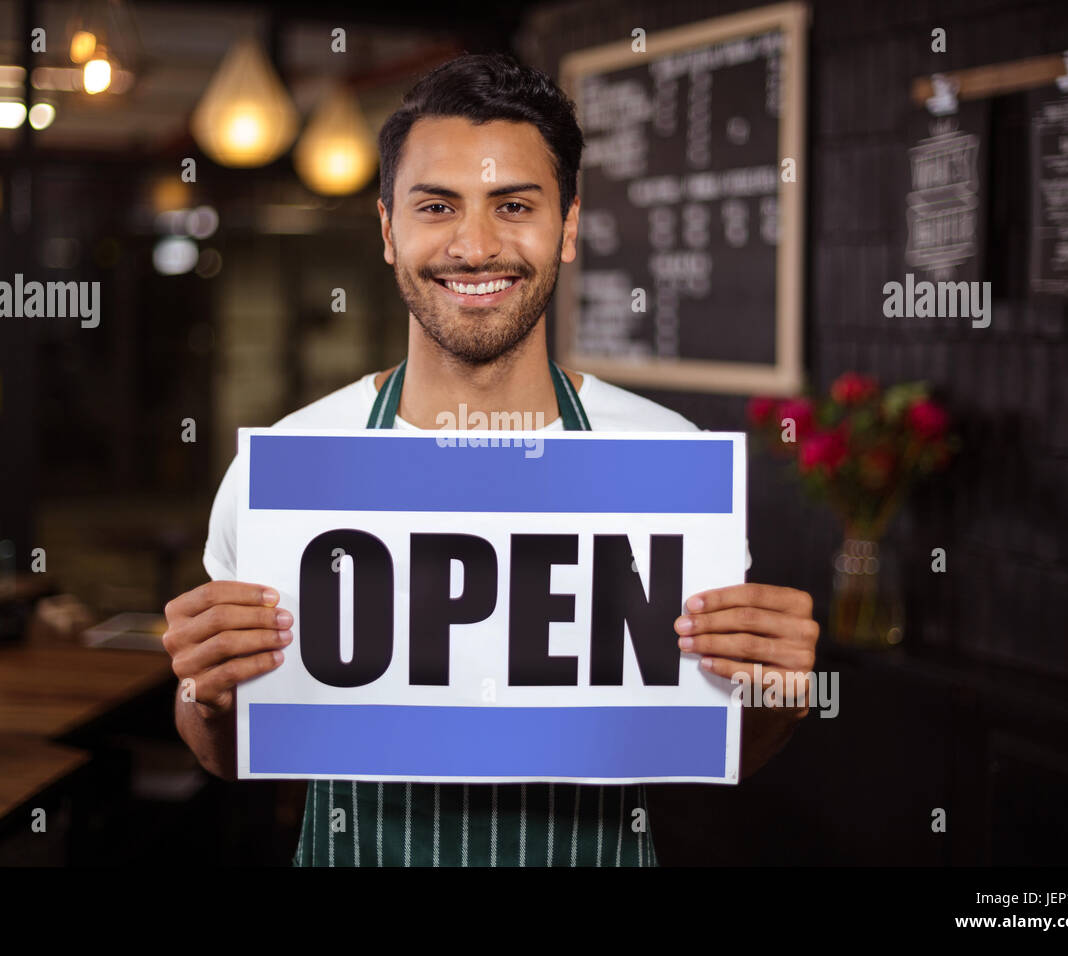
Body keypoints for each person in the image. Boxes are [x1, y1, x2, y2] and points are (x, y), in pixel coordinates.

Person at [164, 52, 818, 866]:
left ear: (568, 228)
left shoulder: (665, 464)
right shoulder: (291, 466)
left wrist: (779, 694)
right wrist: (207, 686)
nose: (475, 247)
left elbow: (717, 747)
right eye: (437, 206)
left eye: (513, 204)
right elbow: (225, 751)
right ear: (387, 229)